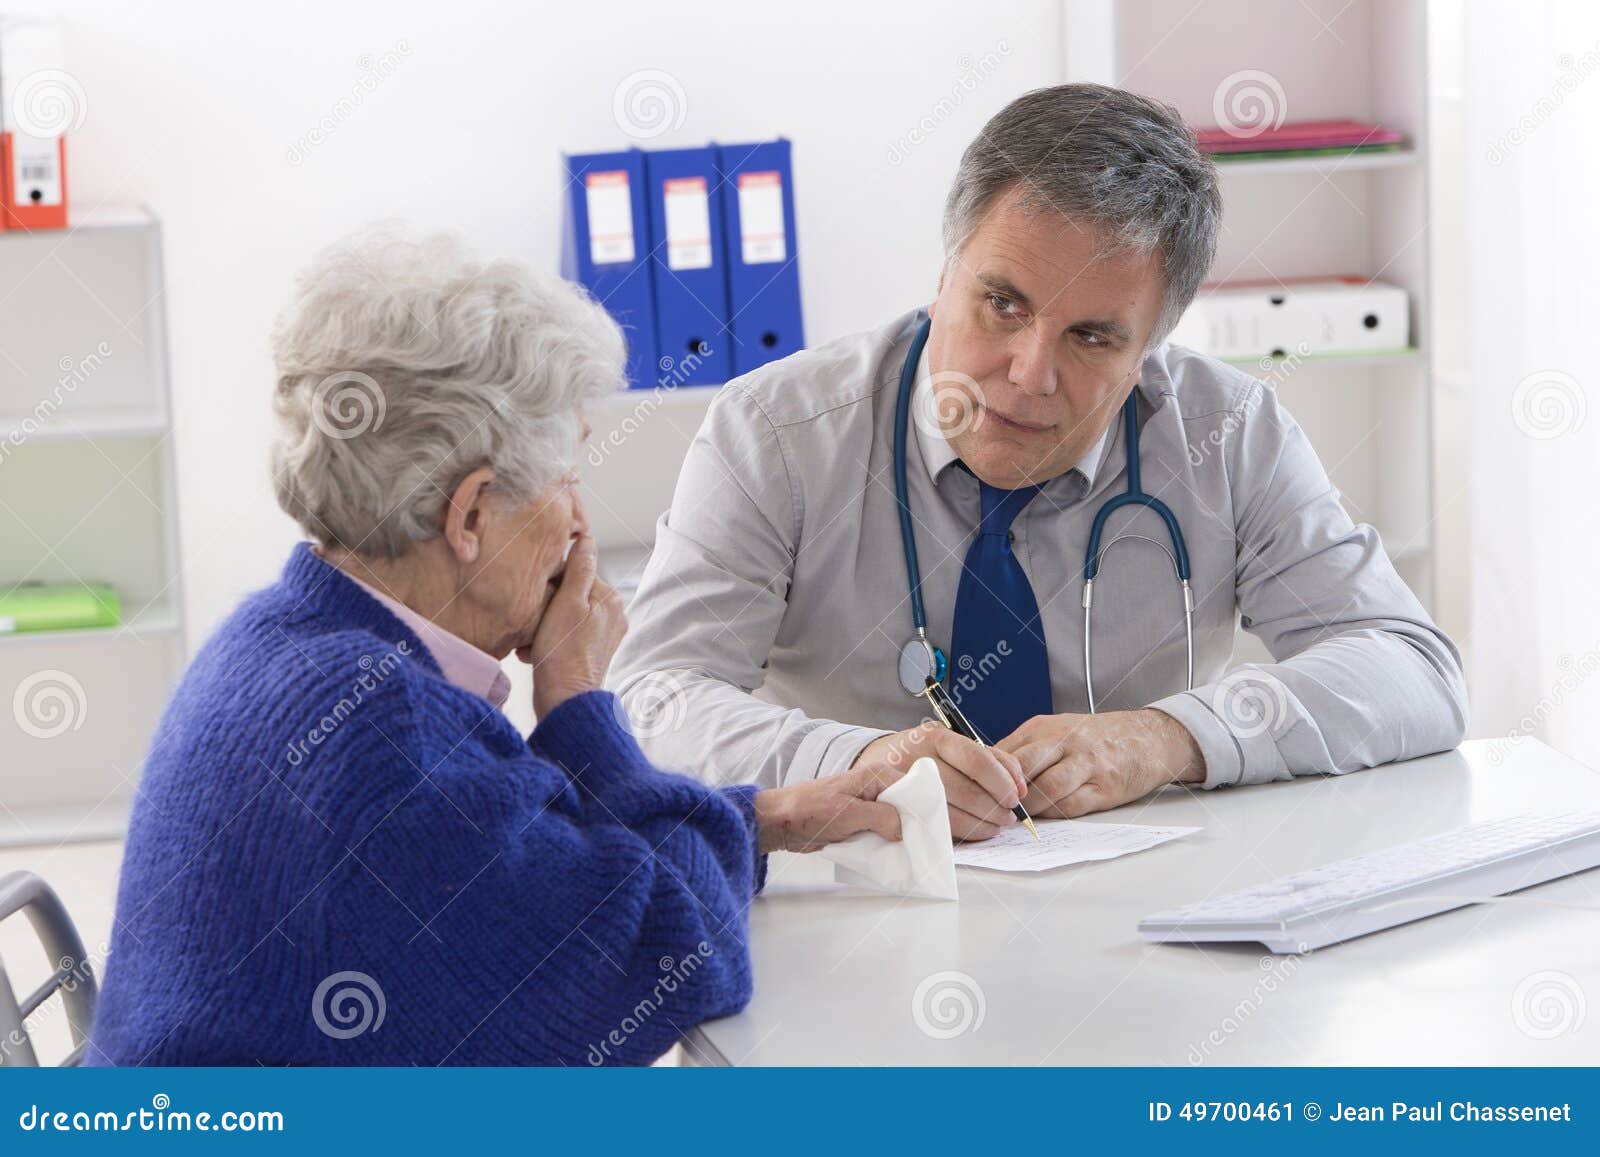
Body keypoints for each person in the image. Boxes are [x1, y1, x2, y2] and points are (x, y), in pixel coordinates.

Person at [88, 231, 905, 1067]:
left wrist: (763, 819)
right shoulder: (385, 733)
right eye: (567, 478)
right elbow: (676, 950)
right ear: (472, 515)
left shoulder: (282, 636)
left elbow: (541, 861)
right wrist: (580, 698)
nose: (581, 523)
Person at [610, 83, 1468, 841]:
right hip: (853, 896)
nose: (1029, 374)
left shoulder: (1229, 435)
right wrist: (859, 760)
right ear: (943, 277)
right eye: (1002, 304)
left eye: (1091, 336)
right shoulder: (777, 433)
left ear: (1151, 348)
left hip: (1141, 918)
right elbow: (650, 699)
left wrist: (1168, 737)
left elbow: (1412, 669)